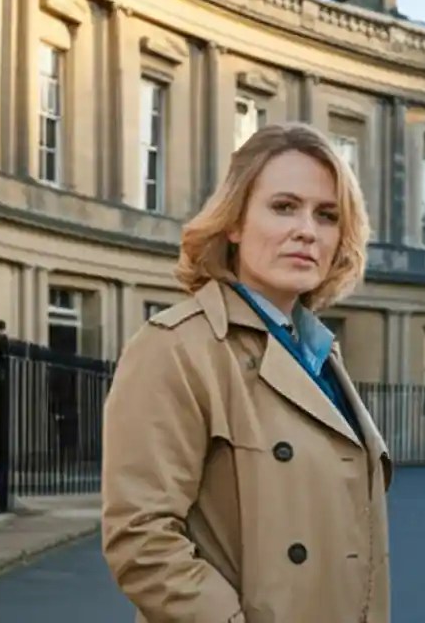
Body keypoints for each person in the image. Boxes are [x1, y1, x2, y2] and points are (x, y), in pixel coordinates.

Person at [100, 122, 392, 623]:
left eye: (326, 215)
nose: (307, 230)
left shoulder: (319, 352)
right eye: (284, 207)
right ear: (234, 222)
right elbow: (141, 538)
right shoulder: (177, 346)